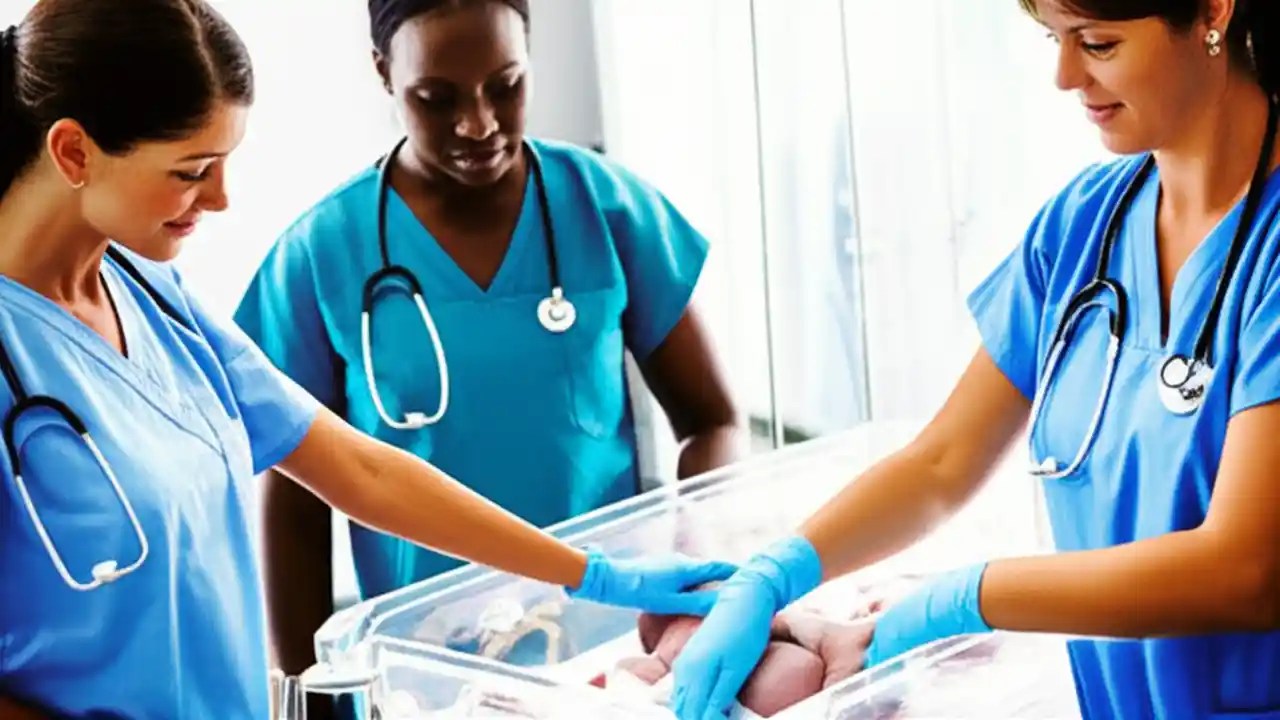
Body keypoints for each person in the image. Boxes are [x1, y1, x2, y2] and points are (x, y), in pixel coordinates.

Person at [0, 2, 737, 717]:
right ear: (74, 152)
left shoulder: (153, 296)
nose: (221, 198)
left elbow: (360, 471)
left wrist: (592, 574)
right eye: (192, 171)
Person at [667, 0, 1280, 718]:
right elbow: (942, 462)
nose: (1064, 76)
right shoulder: (1084, 226)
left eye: (1098, 44)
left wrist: (963, 599)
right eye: (1052, 39)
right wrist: (777, 572)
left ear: (1212, 11)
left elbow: (1244, 571)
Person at [232, 0, 744, 700]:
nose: (478, 123)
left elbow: (712, 420)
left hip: (614, 658)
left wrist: (697, 559)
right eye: (436, 98)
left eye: (506, 86)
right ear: (383, 73)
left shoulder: (607, 209)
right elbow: (296, 501)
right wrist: (306, 696)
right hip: (426, 674)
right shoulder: (320, 254)